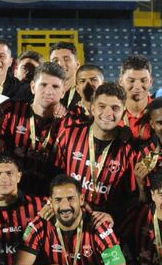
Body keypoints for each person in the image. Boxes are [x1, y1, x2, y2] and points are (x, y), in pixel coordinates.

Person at [15, 175, 128, 265]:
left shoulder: (99, 227)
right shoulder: (39, 226)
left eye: (70, 198)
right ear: (50, 202)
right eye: (58, 200)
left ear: (81, 200)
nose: (64, 206)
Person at [51, 82, 136, 216]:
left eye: (115, 108)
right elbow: (53, 176)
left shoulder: (128, 149)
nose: (108, 113)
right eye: (102, 106)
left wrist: (112, 216)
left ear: (123, 112)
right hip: (68, 215)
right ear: (92, 108)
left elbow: (130, 198)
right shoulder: (69, 135)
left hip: (104, 223)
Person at [0, 62, 69, 191]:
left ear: (63, 92)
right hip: (12, 192)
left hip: (50, 197)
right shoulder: (11, 112)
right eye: (43, 85)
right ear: (33, 87)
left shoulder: (69, 124)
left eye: (55, 86)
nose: (49, 91)